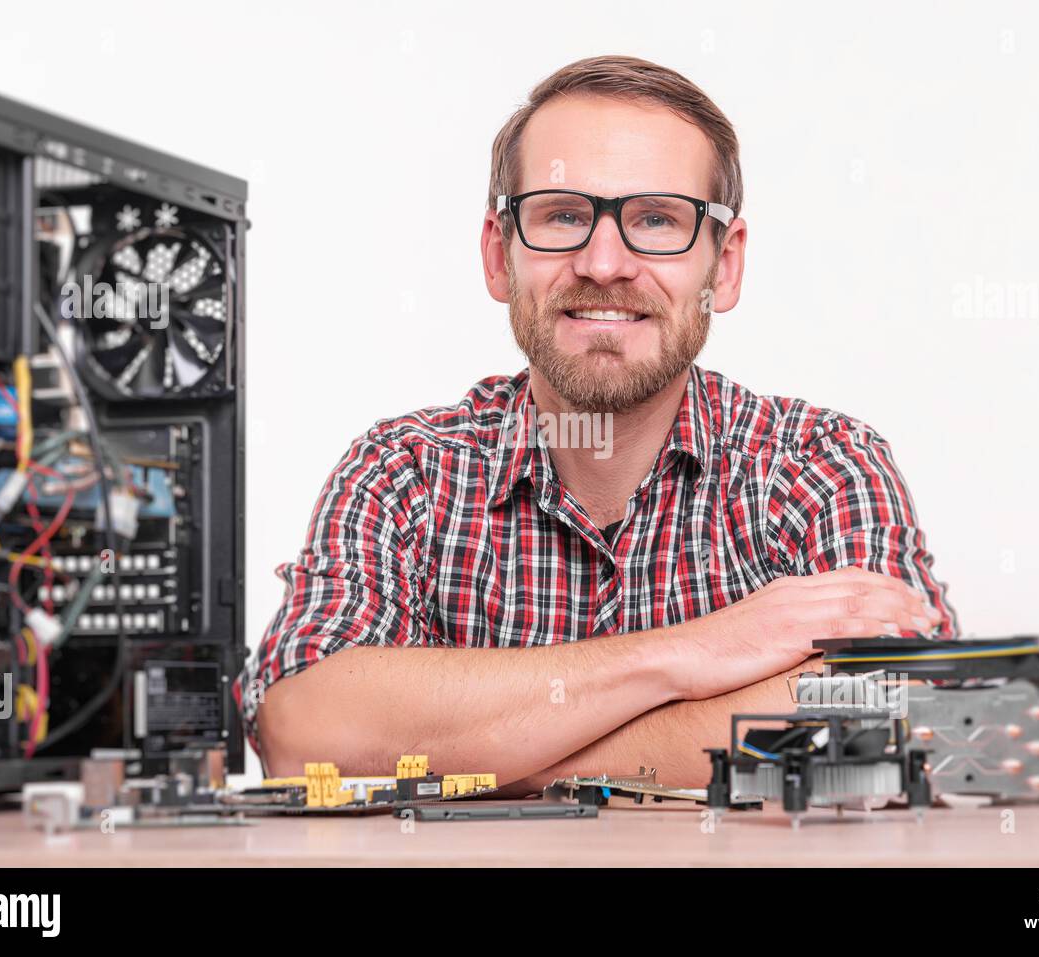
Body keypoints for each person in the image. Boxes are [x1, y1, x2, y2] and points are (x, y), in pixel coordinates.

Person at [236, 55, 958, 793]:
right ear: (498, 255)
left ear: (726, 266)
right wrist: (697, 651)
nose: (604, 262)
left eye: (656, 219)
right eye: (562, 215)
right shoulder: (403, 472)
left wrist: (506, 759)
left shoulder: (820, 465)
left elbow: (894, 710)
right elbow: (307, 736)